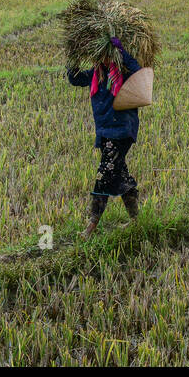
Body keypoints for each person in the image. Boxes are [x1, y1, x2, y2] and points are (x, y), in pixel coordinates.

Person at [67, 36, 142, 237]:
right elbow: (74, 78)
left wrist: (121, 51)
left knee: (104, 173)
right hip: (106, 132)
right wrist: (72, 55)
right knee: (118, 172)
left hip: (122, 130)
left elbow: (140, 73)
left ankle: (92, 225)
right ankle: (136, 220)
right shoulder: (96, 74)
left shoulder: (124, 72)